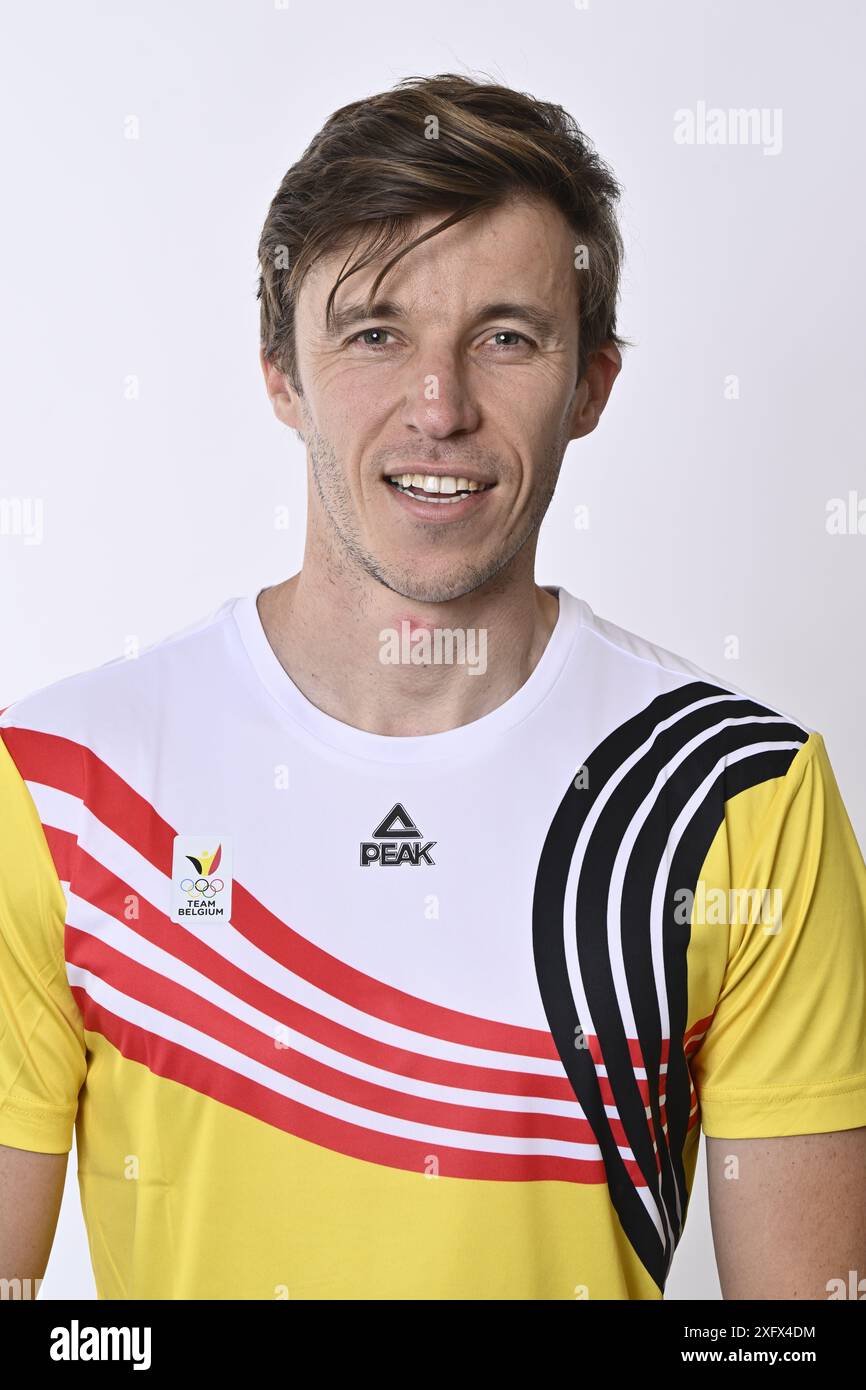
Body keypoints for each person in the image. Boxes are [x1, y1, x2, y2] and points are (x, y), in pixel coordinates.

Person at [1, 72, 865, 1302]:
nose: (438, 407)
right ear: (280, 375)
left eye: (505, 336)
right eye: (373, 333)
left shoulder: (744, 798)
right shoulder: (56, 790)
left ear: (591, 386)